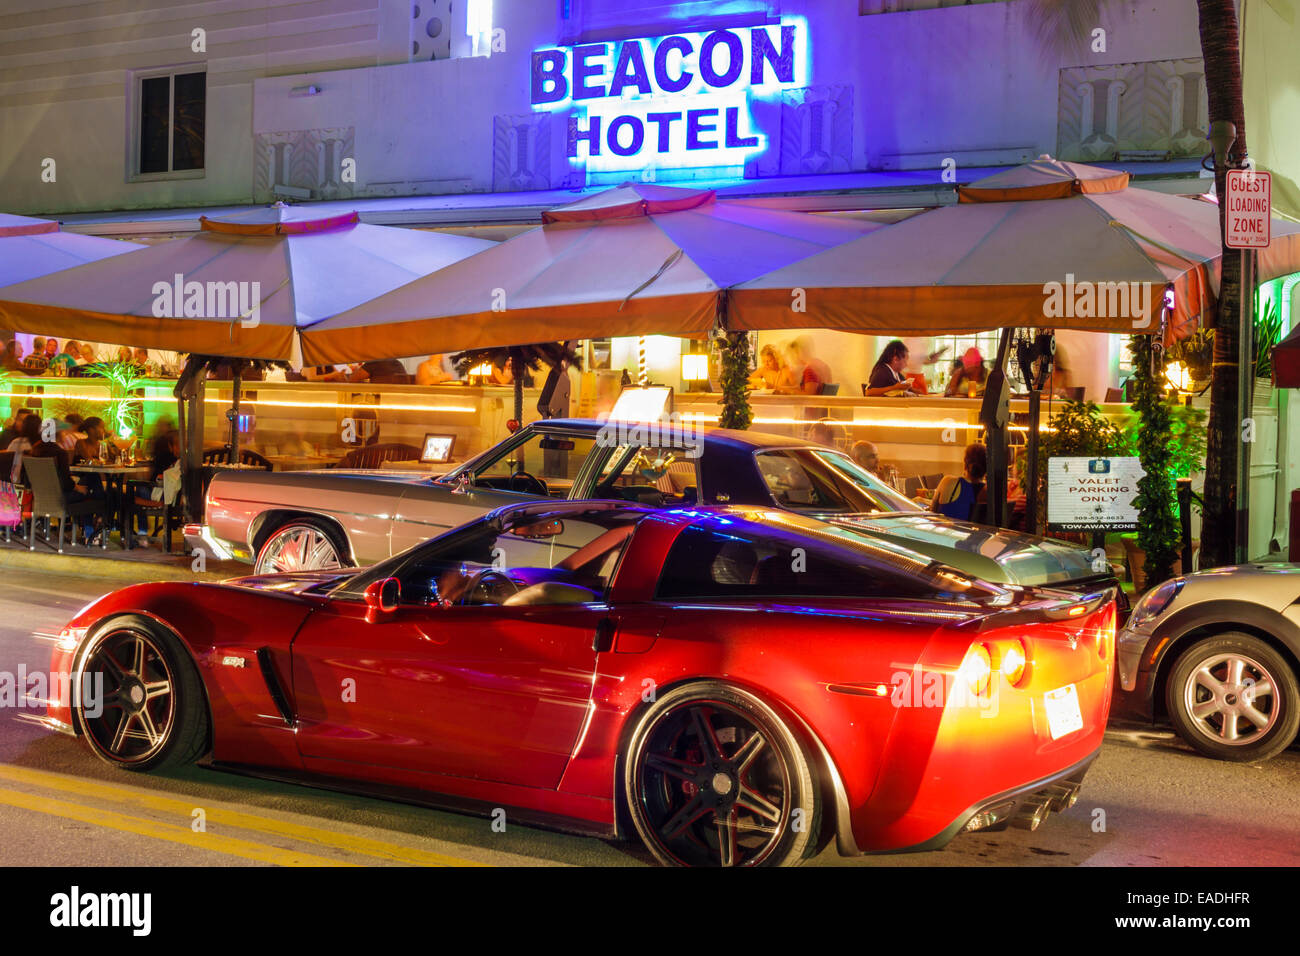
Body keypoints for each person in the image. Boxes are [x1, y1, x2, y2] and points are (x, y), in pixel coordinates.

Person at [931, 443, 988, 522]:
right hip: (972, 533)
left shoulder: (948, 481)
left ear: (965, 463)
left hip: (945, 532)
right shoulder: (987, 492)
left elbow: (932, 510)